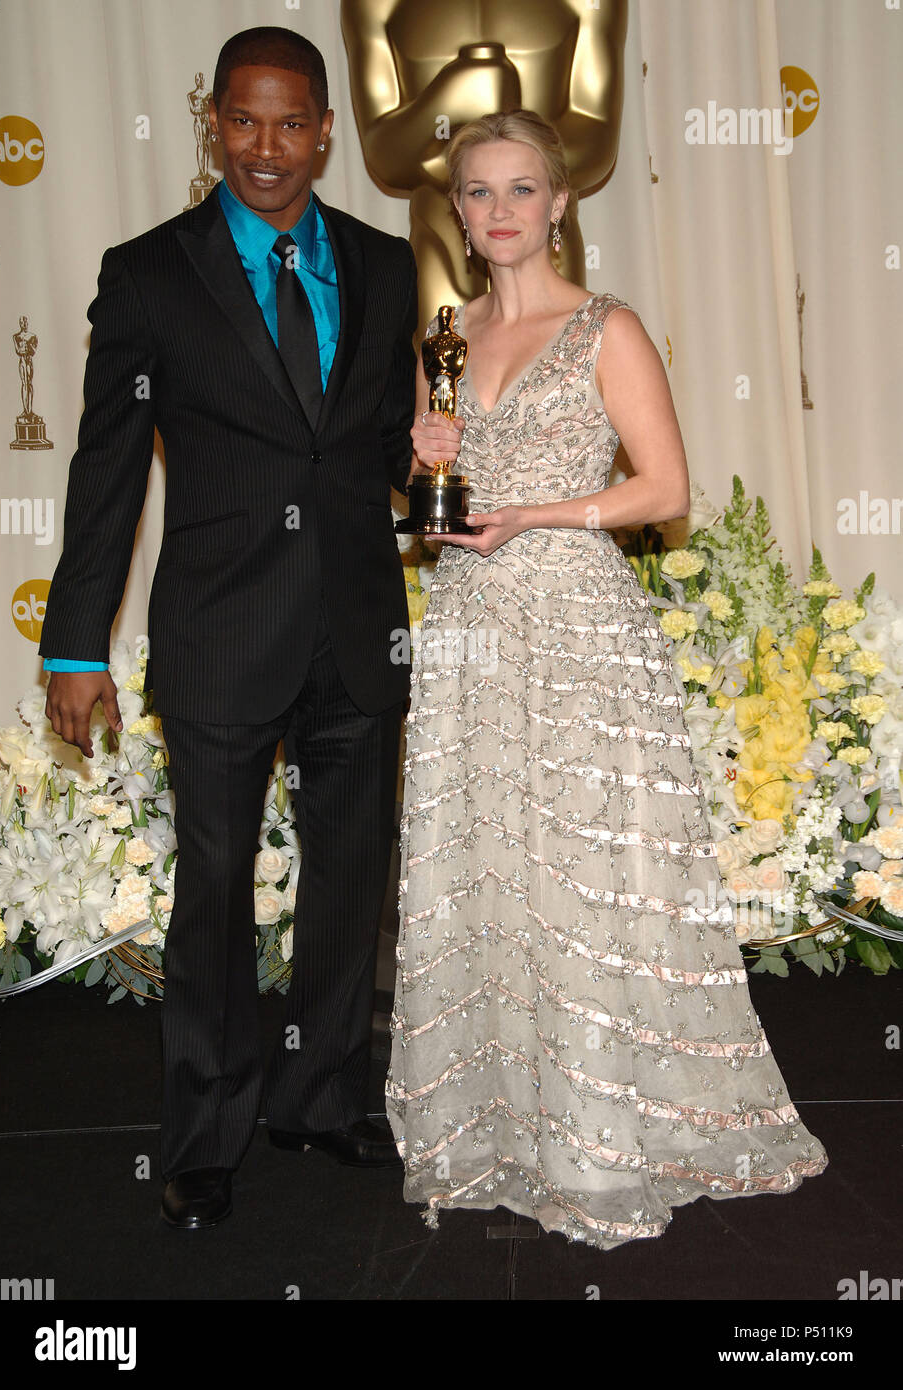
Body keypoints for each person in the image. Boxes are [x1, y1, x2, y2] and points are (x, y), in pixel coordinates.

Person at [386, 110, 828, 1248]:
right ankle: (499, 1122)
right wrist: (423, 463)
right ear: (457, 210)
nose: (498, 213)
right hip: (474, 627)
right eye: (477, 193)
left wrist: (539, 512)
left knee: (588, 866)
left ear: (562, 201)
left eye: (520, 190)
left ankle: (608, 1128)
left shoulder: (606, 328)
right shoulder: (447, 334)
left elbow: (665, 487)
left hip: (579, 623)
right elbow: (435, 504)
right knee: (491, 858)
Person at [39, 27, 418, 1230]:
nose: (267, 147)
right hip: (217, 633)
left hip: (356, 626)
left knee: (351, 887)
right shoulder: (149, 274)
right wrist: (74, 642)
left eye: (291, 123)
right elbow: (106, 472)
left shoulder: (386, 262)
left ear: (324, 131)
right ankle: (203, 1134)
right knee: (212, 893)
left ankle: (320, 1095)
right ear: (213, 124)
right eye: (244, 122)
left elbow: (387, 443)